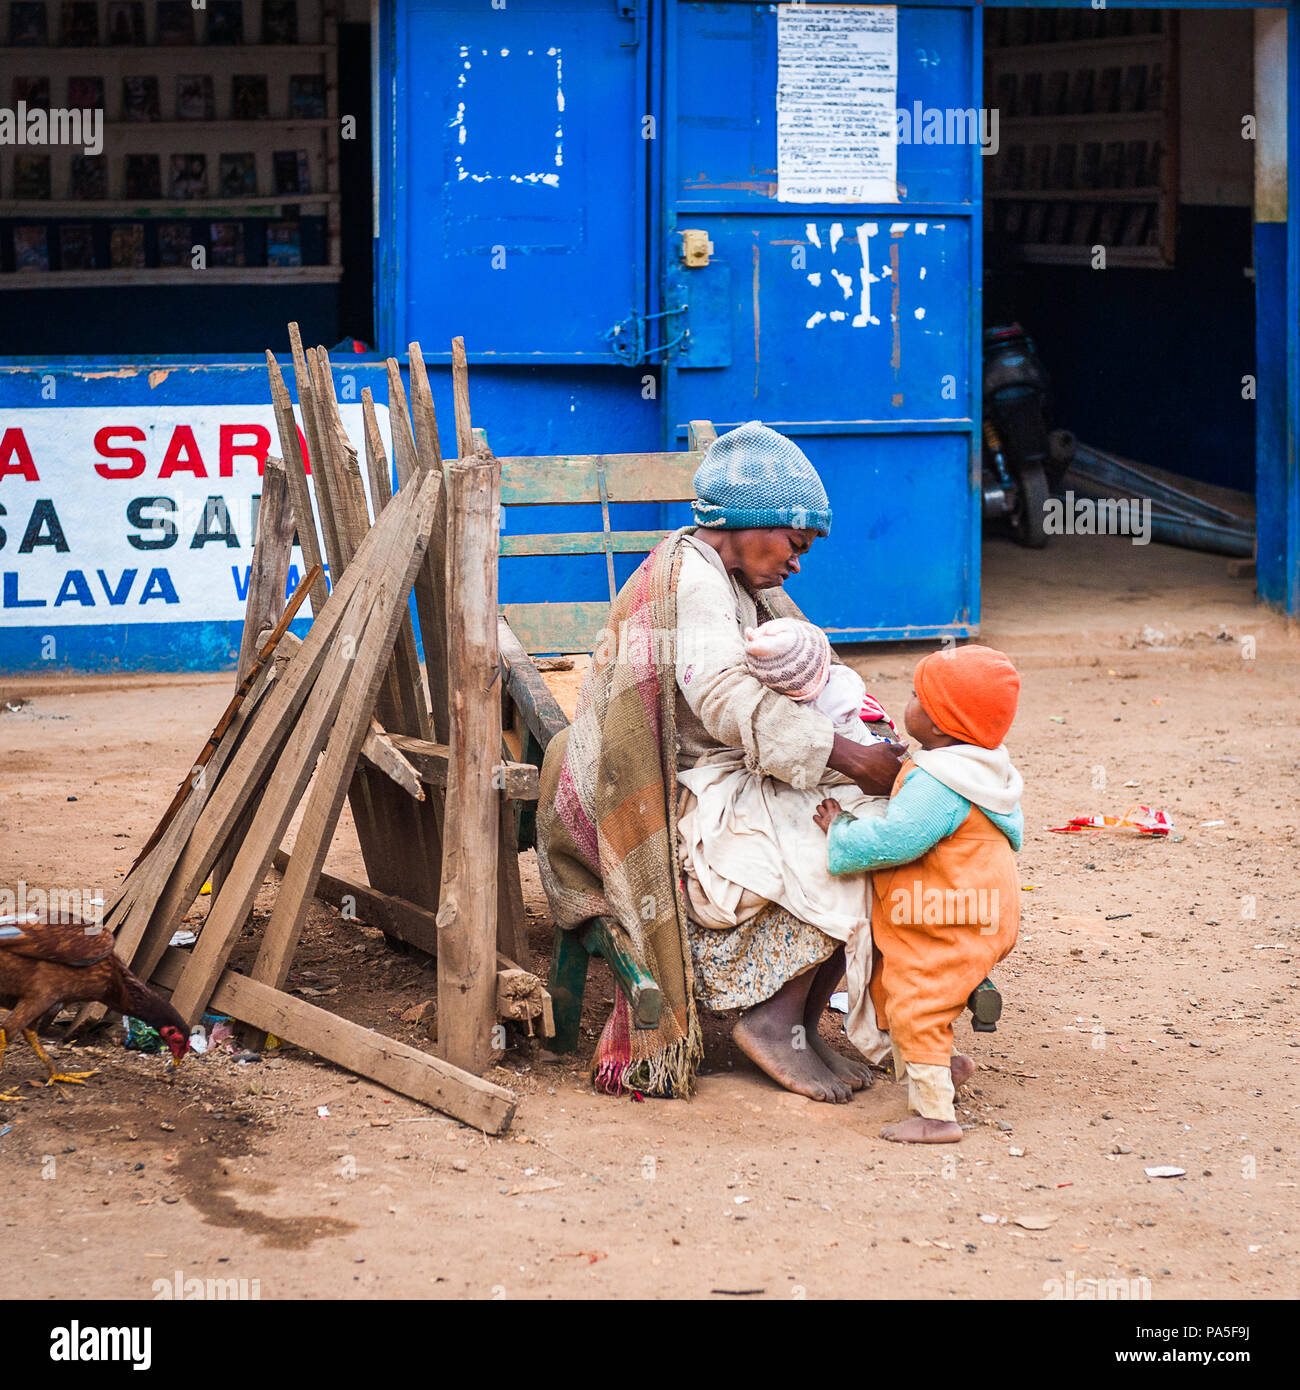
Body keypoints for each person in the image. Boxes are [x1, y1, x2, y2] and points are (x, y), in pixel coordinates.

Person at [538, 421, 906, 1103]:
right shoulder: (695, 582)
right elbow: (725, 696)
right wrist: (849, 756)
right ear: (747, 520)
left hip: (717, 775)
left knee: (865, 820)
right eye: (795, 543)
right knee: (840, 840)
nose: (798, 563)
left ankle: (798, 1028)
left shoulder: (732, 579)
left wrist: (856, 739)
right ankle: (769, 1024)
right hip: (677, 791)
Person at [813, 645, 1023, 1143]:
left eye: (915, 697)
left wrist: (840, 830)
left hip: (950, 911)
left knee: (919, 1003)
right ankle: (943, 1067)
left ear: (943, 721)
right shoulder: (979, 765)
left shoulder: (940, 782)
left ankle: (936, 1116)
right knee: (901, 988)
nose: (906, 704)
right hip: (976, 907)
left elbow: (895, 839)